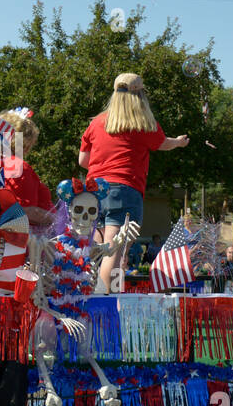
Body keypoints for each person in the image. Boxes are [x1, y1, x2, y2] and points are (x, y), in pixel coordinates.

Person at [79, 73, 190, 290]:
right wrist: (177, 142)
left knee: (94, 248)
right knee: (115, 249)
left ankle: (88, 295)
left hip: (93, 191)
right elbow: (162, 144)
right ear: (140, 95)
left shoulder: (97, 123)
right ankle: (103, 301)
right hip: (123, 190)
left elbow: (83, 160)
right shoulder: (143, 123)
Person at [0, 110, 53, 226]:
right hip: (24, 238)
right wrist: (58, 220)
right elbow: (27, 211)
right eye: (26, 145)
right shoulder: (19, 167)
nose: (27, 150)